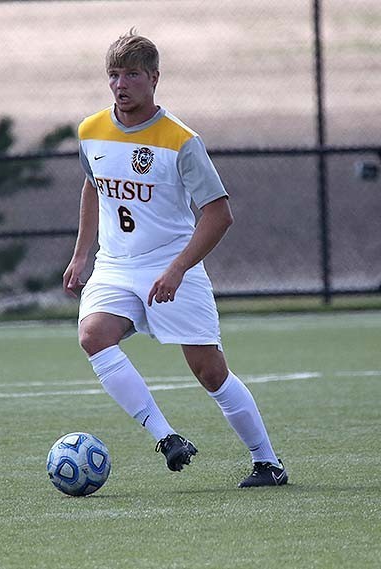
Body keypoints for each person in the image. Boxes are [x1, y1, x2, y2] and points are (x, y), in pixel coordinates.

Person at [62, 30, 288, 488]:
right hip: (115, 266)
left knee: (209, 371)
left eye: (131, 75)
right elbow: (93, 185)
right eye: (113, 75)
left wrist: (178, 268)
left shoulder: (181, 140)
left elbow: (219, 214)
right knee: (93, 335)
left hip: (170, 265)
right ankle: (166, 438)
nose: (120, 85)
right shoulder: (91, 130)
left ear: (154, 78)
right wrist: (82, 253)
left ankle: (268, 462)